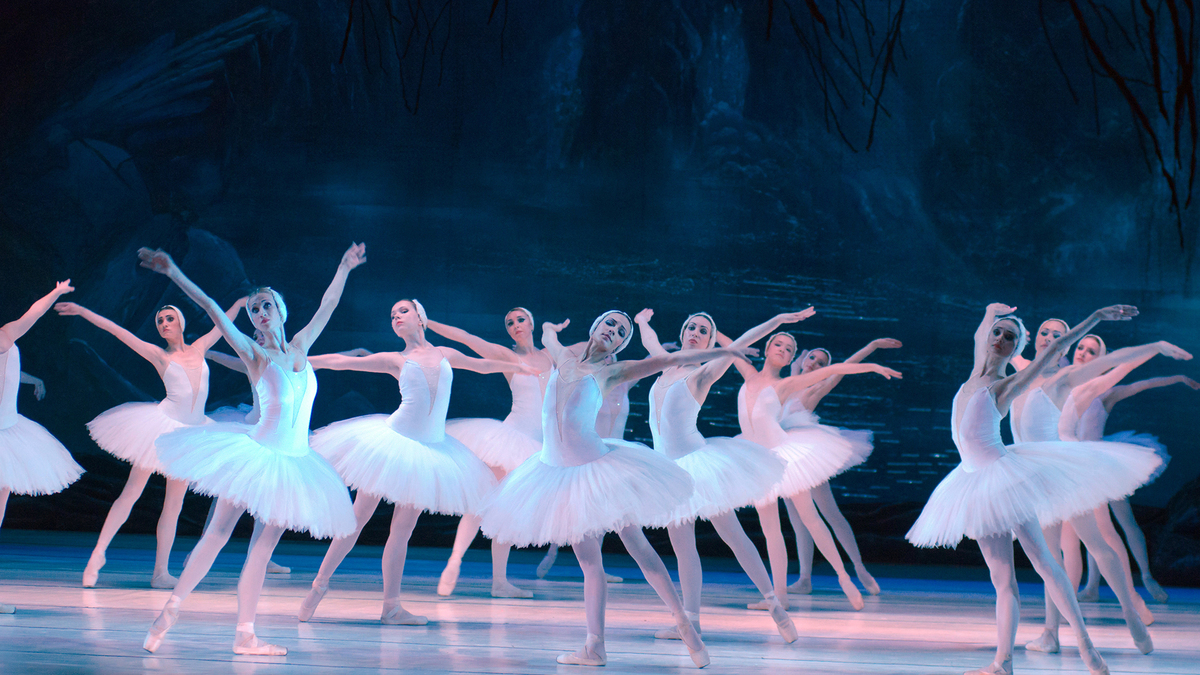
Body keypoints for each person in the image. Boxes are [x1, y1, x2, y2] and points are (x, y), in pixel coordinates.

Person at [479, 310, 754, 667]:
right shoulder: (563, 359)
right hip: (558, 473)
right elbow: (548, 338)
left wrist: (725, 352)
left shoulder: (611, 372)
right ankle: (595, 646)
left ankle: (684, 623)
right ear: (595, 326)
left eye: (622, 332)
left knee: (637, 546)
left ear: (620, 345)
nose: (614, 331)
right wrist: (548, 327)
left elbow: (667, 360)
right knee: (589, 563)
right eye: (610, 324)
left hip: (596, 470)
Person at [906, 303, 1160, 675]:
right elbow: (981, 336)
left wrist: (1095, 319)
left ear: (1017, 346)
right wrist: (990, 312)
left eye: (1009, 337)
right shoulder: (976, 372)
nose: (999, 339)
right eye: (997, 333)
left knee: (1049, 560)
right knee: (1004, 579)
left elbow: (1058, 352)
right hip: (975, 483)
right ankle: (1004, 662)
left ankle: (1090, 644)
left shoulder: (1007, 384)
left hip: (1012, 476)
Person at [137, 243, 364, 655]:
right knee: (218, 533)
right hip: (257, 456)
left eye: (266, 306)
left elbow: (328, 305)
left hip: (294, 463)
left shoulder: (301, 346)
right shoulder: (255, 353)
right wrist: (173, 273)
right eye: (254, 309)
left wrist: (345, 267)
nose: (259, 313)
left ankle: (245, 635)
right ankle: (171, 608)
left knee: (261, 551)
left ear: (281, 311)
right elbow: (212, 309)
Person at [298, 299, 531, 624]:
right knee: (357, 518)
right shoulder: (396, 359)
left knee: (403, 530)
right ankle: (319, 586)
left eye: (403, 311)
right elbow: (341, 362)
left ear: (420, 317)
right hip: (392, 445)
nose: (396, 316)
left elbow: (481, 365)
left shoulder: (445, 354)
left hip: (428, 453)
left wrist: (522, 368)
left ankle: (391, 607)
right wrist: (299, 360)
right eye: (392, 314)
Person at [634, 308, 804, 643]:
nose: (696, 333)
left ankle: (775, 606)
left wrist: (777, 321)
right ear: (683, 332)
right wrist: (641, 322)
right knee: (683, 548)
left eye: (704, 331)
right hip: (668, 470)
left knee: (733, 536)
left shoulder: (703, 373)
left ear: (711, 343)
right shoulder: (665, 364)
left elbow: (740, 343)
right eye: (692, 327)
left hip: (699, 466)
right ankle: (692, 622)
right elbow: (651, 342)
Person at [56, 299, 242, 588]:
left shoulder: (200, 347)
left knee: (174, 504)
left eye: (169, 318)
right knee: (132, 491)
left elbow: (222, 321)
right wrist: (82, 311)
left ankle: (160, 573)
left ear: (181, 322)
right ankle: (97, 554)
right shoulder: (158, 354)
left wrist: (241, 302)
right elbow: (117, 330)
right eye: (159, 321)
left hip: (192, 434)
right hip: (162, 427)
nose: (164, 324)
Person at [723, 329, 901, 610]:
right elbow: (730, 345)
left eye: (788, 348)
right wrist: (704, 327)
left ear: (791, 357)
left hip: (791, 454)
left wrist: (871, 360)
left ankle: (848, 575)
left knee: (816, 517)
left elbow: (837, 369)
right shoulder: (758, 375)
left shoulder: (793, 385)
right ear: (770, 349)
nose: (783, 349)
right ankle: (785, 593)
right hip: (759, 458)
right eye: (779, 345)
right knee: (776, 529)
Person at [1056, 335, 1195, 605]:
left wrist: (1177, 378)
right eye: (1081, 348)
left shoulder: (1107, 393)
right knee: (1089, 529)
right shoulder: (1065, 385)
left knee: (1119, 523)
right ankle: (1092, 586)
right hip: (1074, 464)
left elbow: (1143, 384)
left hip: (1102, 464)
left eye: (1091, 351)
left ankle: (1145, 577)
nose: (1083, 353)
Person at [429, 307, 551, 598]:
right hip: (512, 439)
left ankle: (499, 582)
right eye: (509, 322)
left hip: (540, 446)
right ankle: (455, 561)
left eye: (520, 319)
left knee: (506, 510)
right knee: (483, 500)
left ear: (531, 323)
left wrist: (553, 333)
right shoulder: (508, 356)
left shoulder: (552, 354)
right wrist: (427, 320)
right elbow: (466, 338)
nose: (515, 325)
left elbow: (588, 349)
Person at [779, 338, 902, 596]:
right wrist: (797, 363)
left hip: (806, 455)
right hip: (784, 457)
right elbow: (794, 372)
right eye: (812, 358)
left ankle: (859, 568)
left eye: (821, 363)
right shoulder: (789, 384)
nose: (814, 364)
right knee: (798, 521)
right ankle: (804, 579)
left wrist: (871, 346)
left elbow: (844, 367)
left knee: (830, 513)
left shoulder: (816, 388)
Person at [0, 280, 84, 614]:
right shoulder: (4, 335)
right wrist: (56, 293)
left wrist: (32, 379)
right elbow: (32, 315)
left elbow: (8, 374)